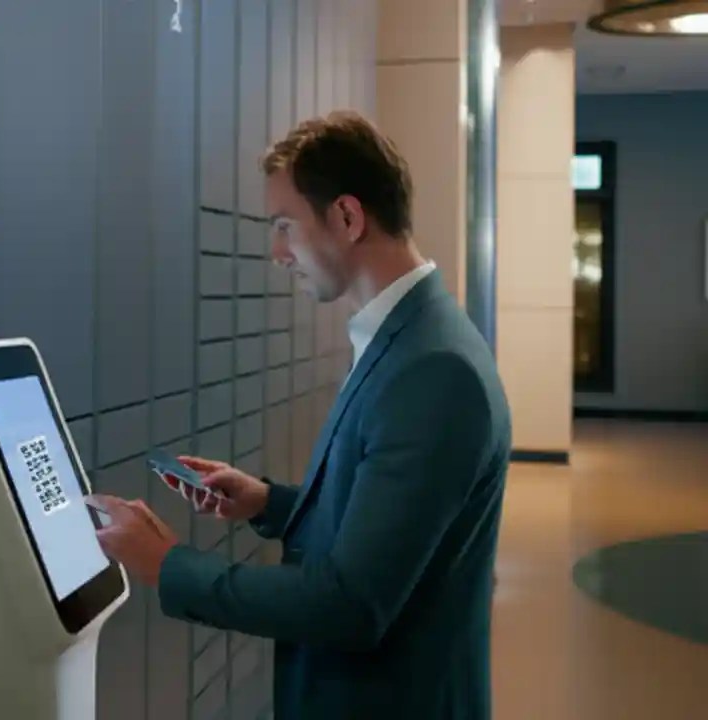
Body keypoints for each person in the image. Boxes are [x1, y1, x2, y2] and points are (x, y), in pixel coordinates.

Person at [91, 110, 511, 719]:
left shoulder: (434, 369)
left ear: (347, 216)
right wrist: (269, 503)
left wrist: (167, 565)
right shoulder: (410, 338)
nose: (277, 251)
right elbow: (392, 521)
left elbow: (350, 604)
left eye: (285, 225)